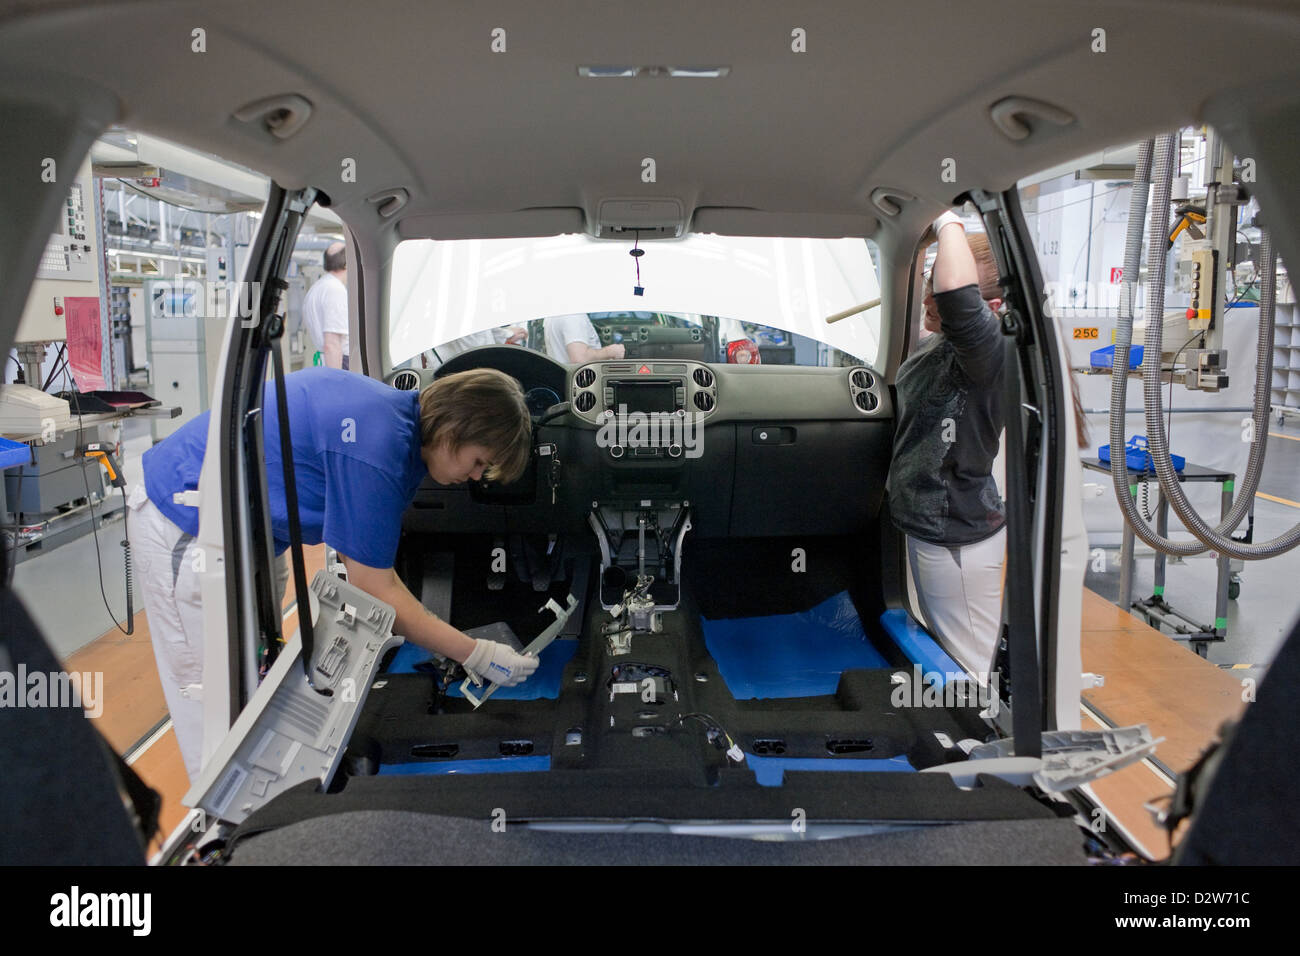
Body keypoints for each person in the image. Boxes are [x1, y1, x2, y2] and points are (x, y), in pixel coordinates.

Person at [128, 366, 538, 780]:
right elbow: (376, 590)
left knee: (250, 686)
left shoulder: (399, 430)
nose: (472, 478)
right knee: (214, 701)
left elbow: (371, 567)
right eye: (477, 462)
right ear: (455, 427)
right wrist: (474, 652)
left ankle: (259, 805)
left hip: (244, 535)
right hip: (186, 518)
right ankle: (221, 832)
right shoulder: (376, 445)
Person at [887, 212, 1007, 682]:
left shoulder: (987, 350)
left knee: (966, 664)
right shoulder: (941, 347)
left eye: (934, 292)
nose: (928, 299)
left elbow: (958, 298)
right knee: (942, 648)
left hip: (956, 528)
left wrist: (946, 219)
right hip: (932, 524)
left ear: (988, 304)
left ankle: (980, 746)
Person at [301, 242, 350, 369]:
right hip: (340, 362)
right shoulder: (334, 290)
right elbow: (332, 343)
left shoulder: (318, 287)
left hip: (328, 359)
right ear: (347, 264)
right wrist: (336, 381)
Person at [543, 313, 625, 363]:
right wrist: (610, 352)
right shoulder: (574, 316)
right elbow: (579, 358)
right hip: (579, 385)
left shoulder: (555, 313)